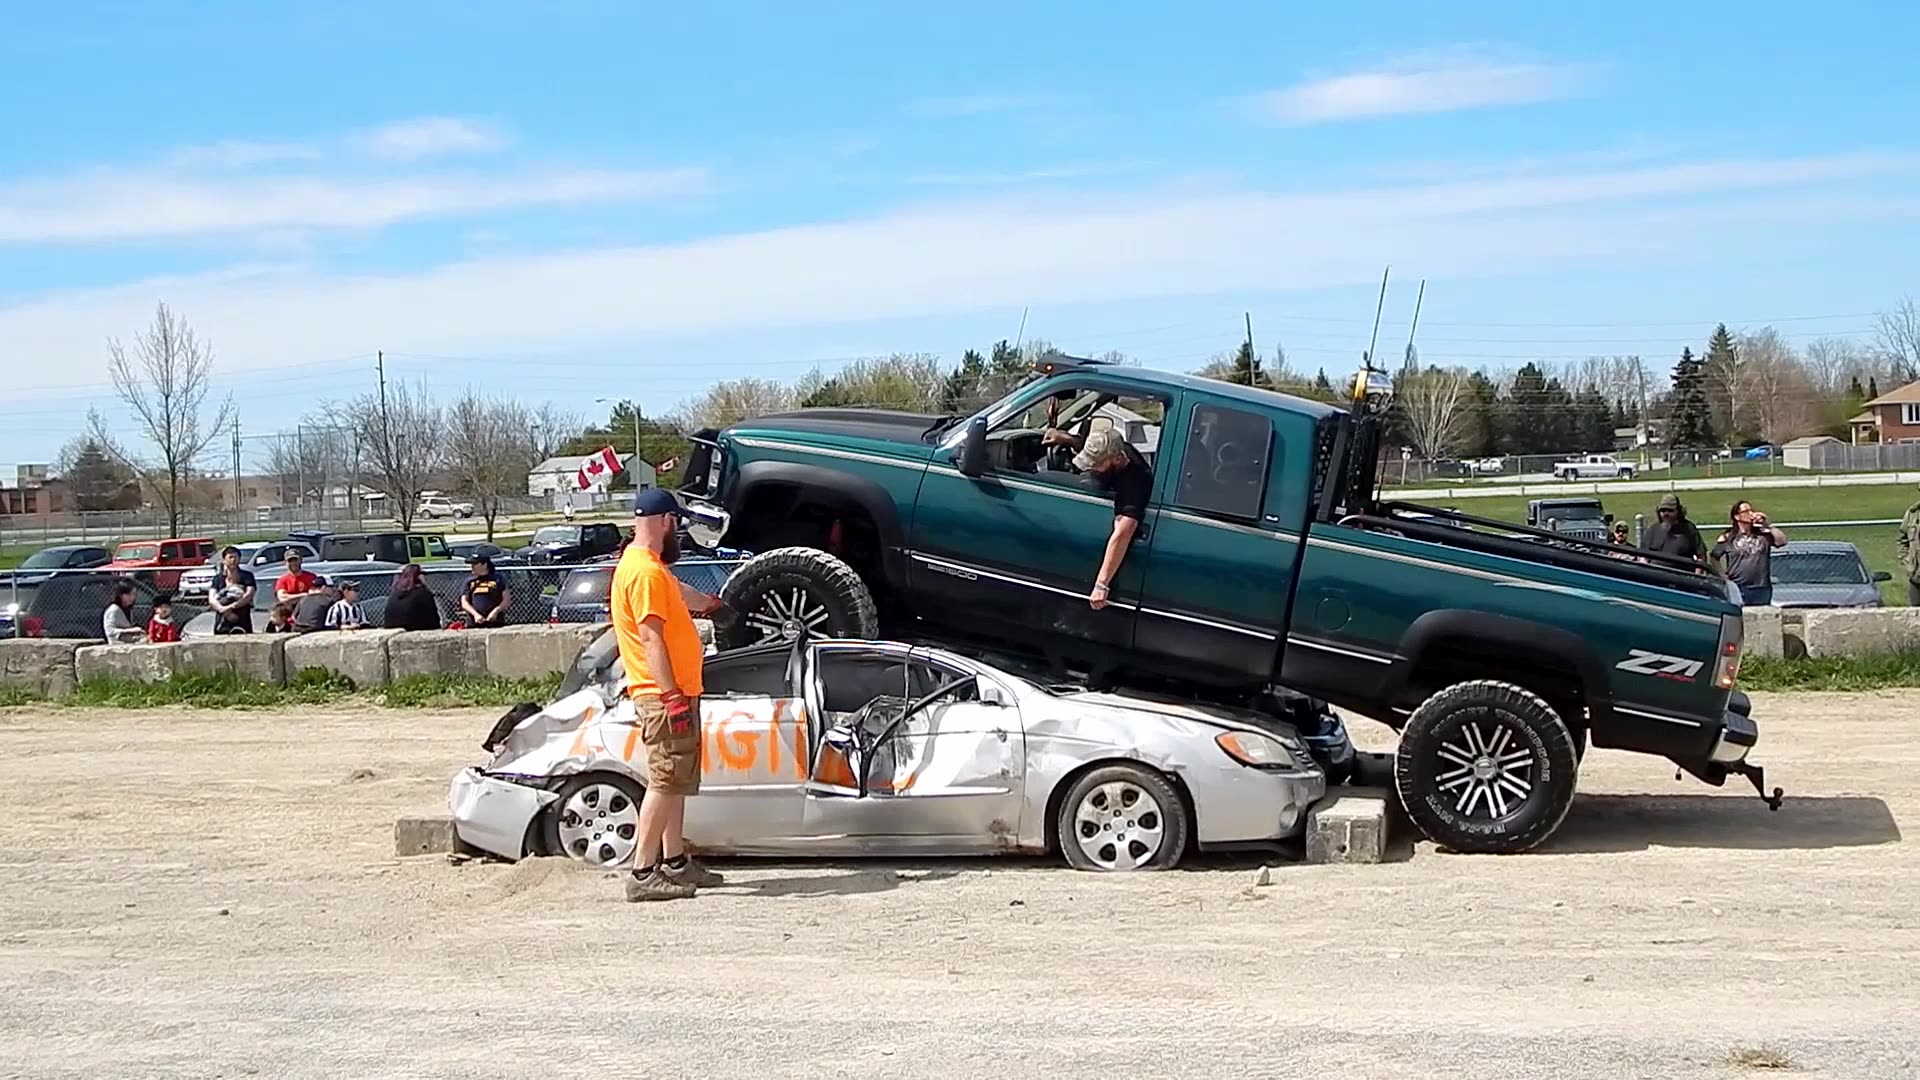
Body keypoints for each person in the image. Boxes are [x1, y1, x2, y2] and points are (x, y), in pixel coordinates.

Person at [612, 488, 727, 902]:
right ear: (666, 522)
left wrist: (715, 605)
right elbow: (650, 638)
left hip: (673, 691)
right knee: (663, 779)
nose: (677, 530)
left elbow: (681, 594)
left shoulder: (648, 567)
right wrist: (672, 696)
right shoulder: (643, 573)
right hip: (662, 695)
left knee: (676, 779)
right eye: (676, 523)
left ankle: (675, 861)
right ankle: (643, 872)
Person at [1042, 426, 1151, 610]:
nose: (1091, 466)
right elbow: (1094, 448)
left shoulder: (1134, 484)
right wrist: (1064, 438)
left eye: (1096, 464)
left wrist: (1101, 584)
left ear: (1117, 459)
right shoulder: (1119, 448)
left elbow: (1123, 532)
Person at [1712, 500, 1788, 607]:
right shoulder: (1728, 537)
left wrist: (1767, 525)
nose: (1751, 513)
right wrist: (1722, 575)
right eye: (1746, 511)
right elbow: (1714, 557)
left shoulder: (1762, 534)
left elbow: (1782, 541)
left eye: (1751, 510)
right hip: (1739, 586)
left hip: (1761, 587)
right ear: (1737, 516)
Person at [1640, 493, 1707, 562]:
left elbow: (1701, 557)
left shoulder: (1689, 529)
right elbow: (1644, 557)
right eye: (1663, 510)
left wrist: (1697, 572)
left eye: (1670, 510)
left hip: (1680, 571)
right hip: (1655, 571)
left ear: (1678, 511)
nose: (1666, 513)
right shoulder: (1653, 530)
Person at [207, 546, 257, 635]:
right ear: (224, 560)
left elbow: (249, 595)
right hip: (222, 622)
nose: (233, 560)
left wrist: (231, 607)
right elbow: (211, 599)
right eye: (230, 557)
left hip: (242, 620)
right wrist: (222, 609)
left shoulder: (247, 576)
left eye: (235, 557)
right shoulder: (218, 579)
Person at [382, 563, 442, 631]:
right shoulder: (423, 594)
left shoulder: (394, 595)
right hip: (415, 631)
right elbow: (434, 619)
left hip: (393, 630)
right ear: (419, 576)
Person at [460, 554, 510, 628]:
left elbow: (506, 600)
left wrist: (495, 611)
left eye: (475, 564)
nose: (472, 567)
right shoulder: (469, 581)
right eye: (472, 564)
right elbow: (464, 602)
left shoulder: (498, 579)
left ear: (485, 565)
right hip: (474, 623)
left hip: (496, 623)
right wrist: (476, 615)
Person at [102, 579, 144, 644]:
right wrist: (130, 630)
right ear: (120, 595)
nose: (132, 597)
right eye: (128, 595)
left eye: (134, 594)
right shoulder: (114, 610)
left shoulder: (128, 609)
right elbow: (110, 631)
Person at [1898, 485, 1920, 606]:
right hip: (1916, 577)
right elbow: (1902, 539)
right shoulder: (1913, 513)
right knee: (1914, 616)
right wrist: (1907, 562)